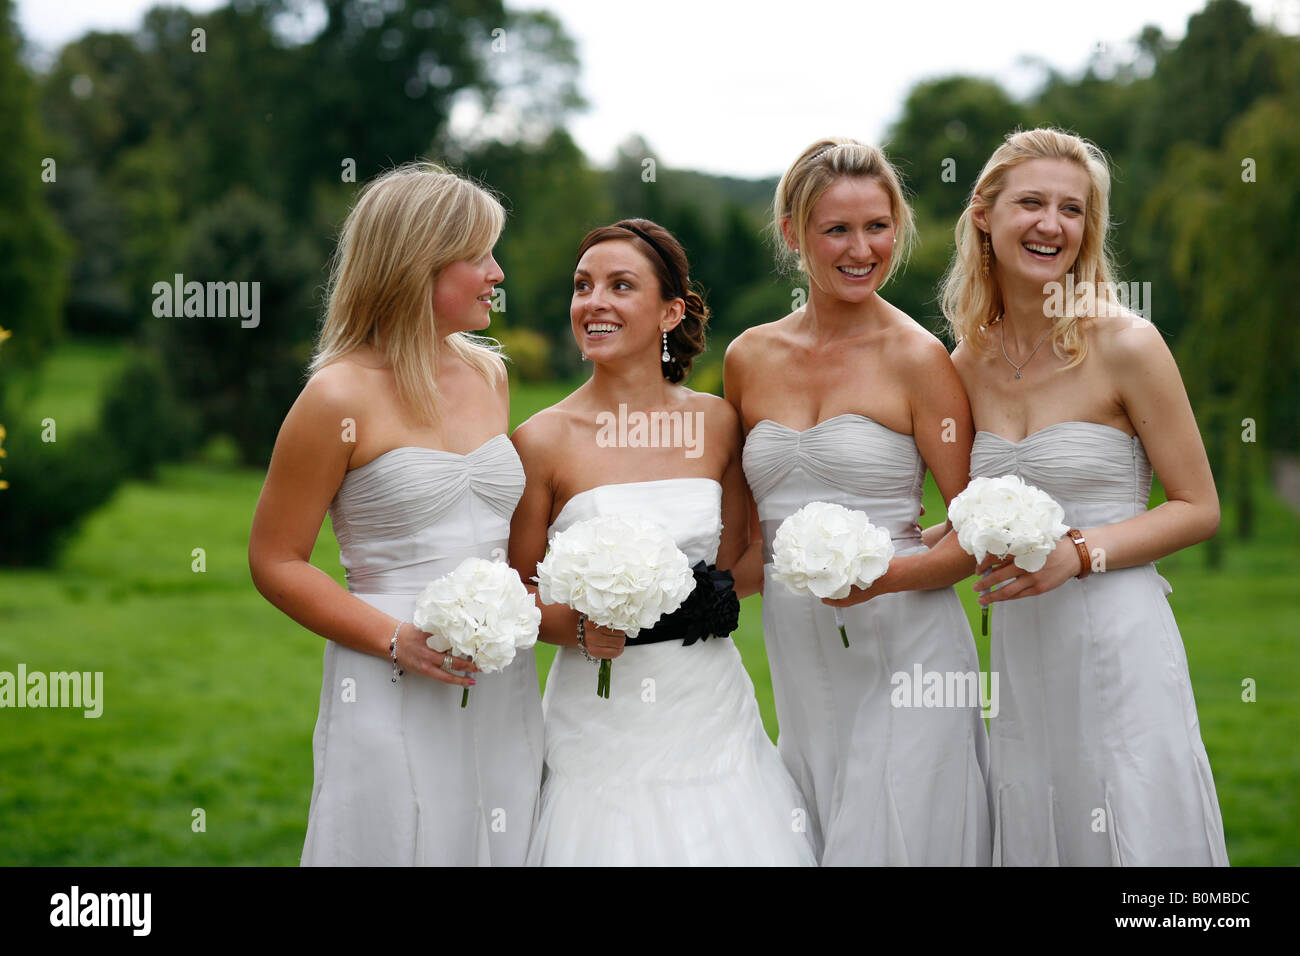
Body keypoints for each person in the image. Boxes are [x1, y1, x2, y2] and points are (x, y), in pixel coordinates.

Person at [942, 127, 1229, 866]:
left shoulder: (1126, 343)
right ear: (984, 213)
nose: (1051, 224)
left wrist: (1080, 553)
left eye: (1072, 210)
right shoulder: (964, 360)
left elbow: (1197, 505)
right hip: (1019, 641)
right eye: (1031, 202)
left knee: (1131, 820)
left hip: (1117, 635)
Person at [248, 162, 542, 866]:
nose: (497, 273)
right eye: (478, 256)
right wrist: (394, 640)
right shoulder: (336, 397)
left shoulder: (488, 374)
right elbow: (274, 560)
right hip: (388, 677)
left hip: (499, 675)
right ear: (418, 264)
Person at [509, 219, 816, 866]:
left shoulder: (717, 423)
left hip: (706, 703)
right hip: (599, 712)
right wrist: (578, 627)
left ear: (670, 311)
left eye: (622, 286)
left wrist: (726, 592)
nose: (595, 302)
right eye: (582, 286)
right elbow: (515, 594)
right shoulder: (541, 440)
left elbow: (740, 560)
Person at [725, 138, 991, 865]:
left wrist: (884, 576)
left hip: (910, 647)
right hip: (801, 659)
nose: (861, 248)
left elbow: (975, 533)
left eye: (878, 226)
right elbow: (748, 547)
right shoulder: (747, 357)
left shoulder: (919, 359)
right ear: (793, 233)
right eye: (837, 229)